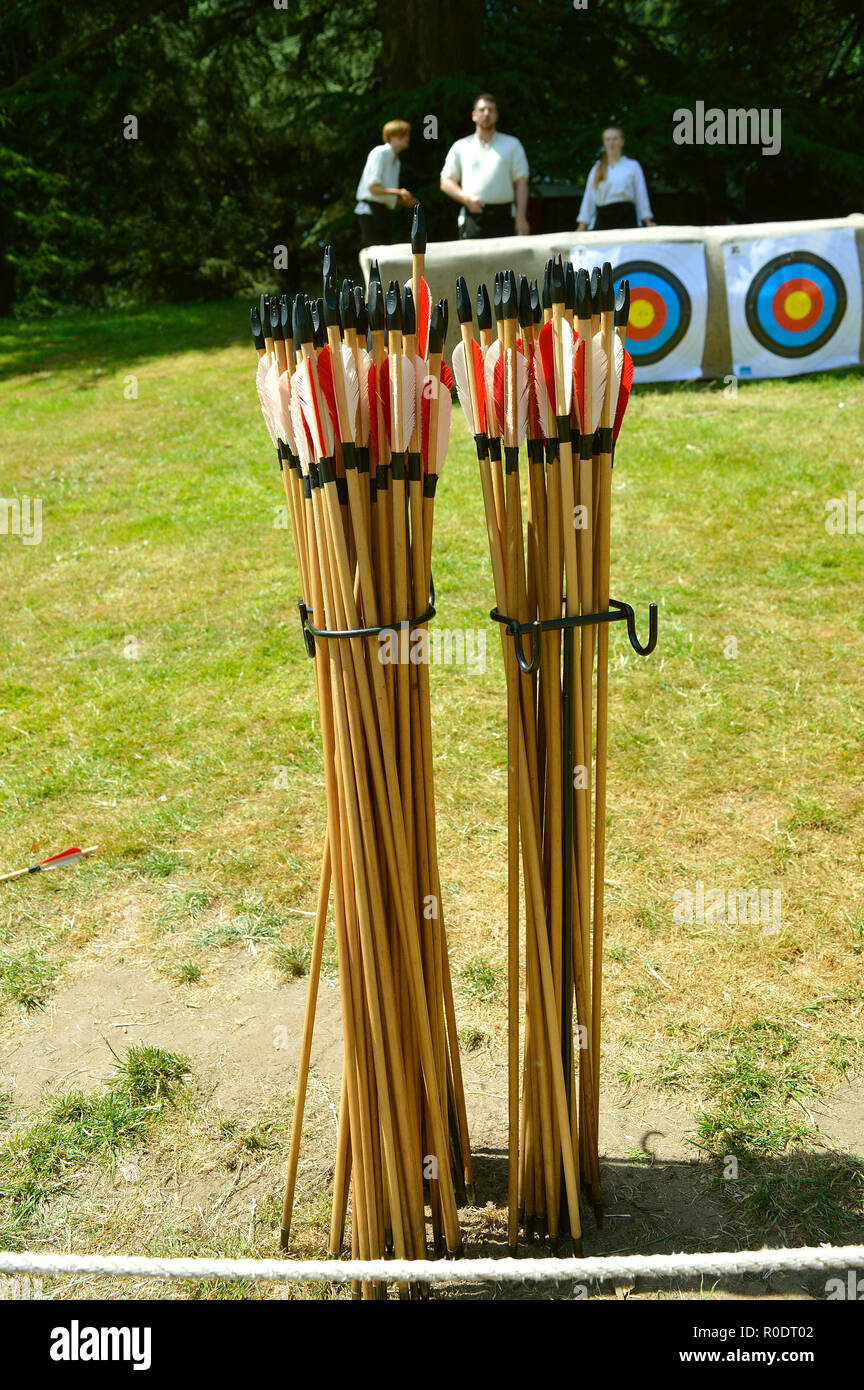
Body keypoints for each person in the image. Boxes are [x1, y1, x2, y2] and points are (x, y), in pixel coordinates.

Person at [440, 94, 530, 240]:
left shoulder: (512, 145)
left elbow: (521, 182)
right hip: (473, 217)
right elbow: (445, 181)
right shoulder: (461, 146)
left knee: (506, 256)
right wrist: (466, 199)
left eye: (491, 110)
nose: (486, 113)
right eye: (482, 110)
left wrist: (521, 217)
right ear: (474, 115)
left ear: (497, 115)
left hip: (505, 217)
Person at [576, 126, 656, 232]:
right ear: (604, 143)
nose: (611, 142)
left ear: (622, 142)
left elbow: (641, 194)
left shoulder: (632, 166)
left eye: (615, 138)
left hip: (627, 219)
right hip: (603, 220)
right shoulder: (597, 169)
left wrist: (647, 220)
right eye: (608, 139)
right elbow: (589, 198)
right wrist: (582, 225)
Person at [355, 120, 418, 246]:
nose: (408, 138)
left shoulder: (396, 161)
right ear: (392, 136)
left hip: (383, 213)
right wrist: (399, 192)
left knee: (385, 253)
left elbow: (382, 194)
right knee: (377, 254)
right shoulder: (379, 153)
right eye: (404, 134)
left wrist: (405, 202)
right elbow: (373, 189)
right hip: (369, 213)